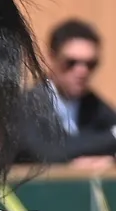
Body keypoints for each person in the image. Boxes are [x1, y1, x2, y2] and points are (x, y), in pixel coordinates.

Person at [42, 19, 116, 171]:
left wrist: (108, 160)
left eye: (90, 64)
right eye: (71, 63)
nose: (82, 71)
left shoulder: (95, 106)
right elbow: (46, 151)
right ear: (52, 58)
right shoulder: (26, 105)